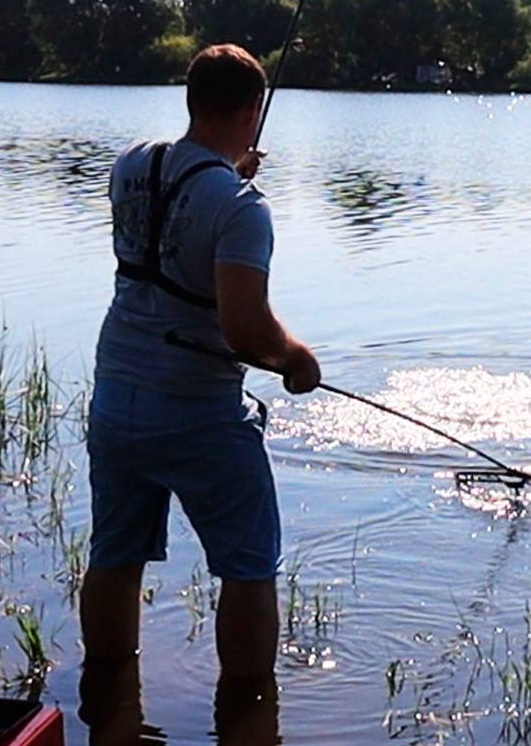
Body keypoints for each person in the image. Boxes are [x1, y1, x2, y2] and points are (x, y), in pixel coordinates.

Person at [79, 43, 320, 716]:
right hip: (195, 410)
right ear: (253, 110)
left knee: (115, 554)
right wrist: (297, 359)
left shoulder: (131, 165)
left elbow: (169, 225)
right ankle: (246, 712)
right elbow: (245, 329)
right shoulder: (242, 206)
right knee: (248, 567)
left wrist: (222, 173)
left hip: (116, 396)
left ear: (193, 101)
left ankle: (107, 696)